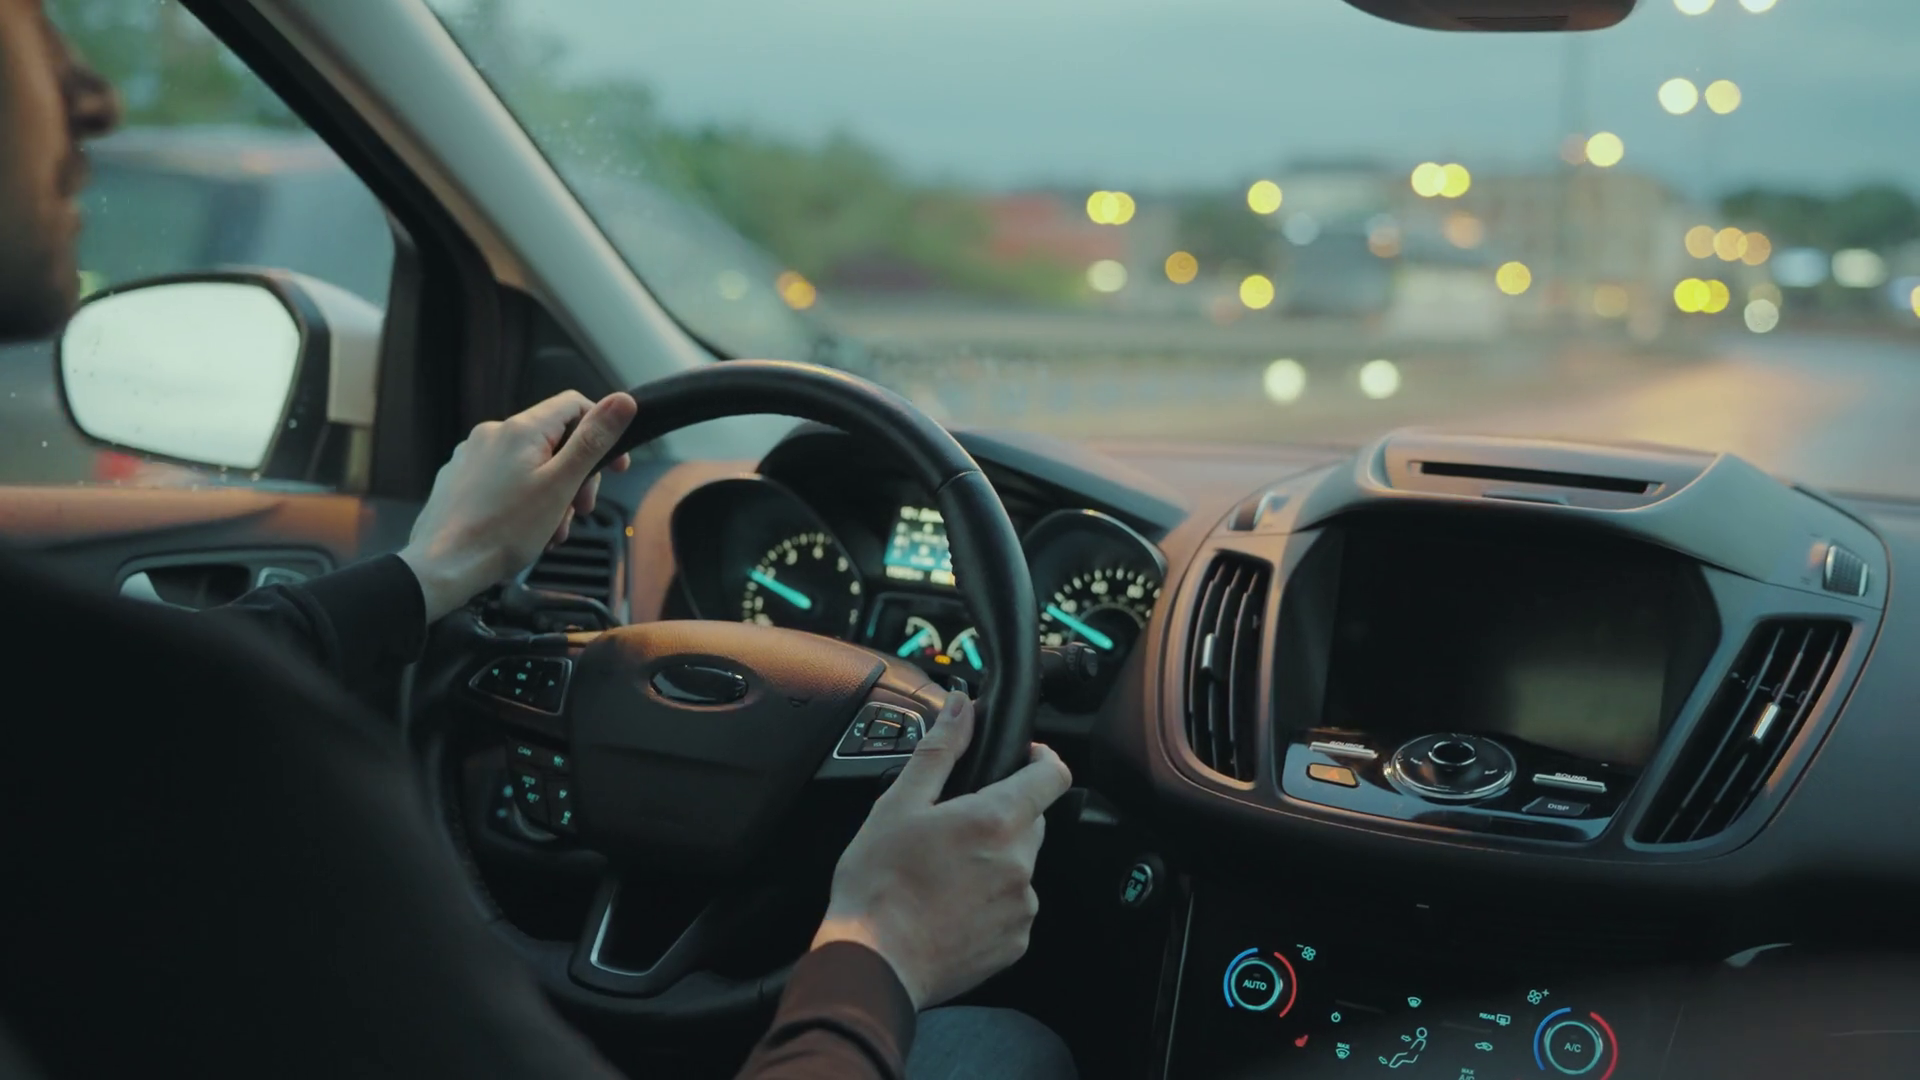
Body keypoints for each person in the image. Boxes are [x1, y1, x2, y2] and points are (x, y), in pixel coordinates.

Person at [0, 2, 1078, 1077]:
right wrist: (876, 949)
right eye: (30, 28)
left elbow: (203, 679)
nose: (92, 97)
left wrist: (430, 576)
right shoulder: (161, 726)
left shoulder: (103, 712)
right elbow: (187, 706)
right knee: (1000, 1048)